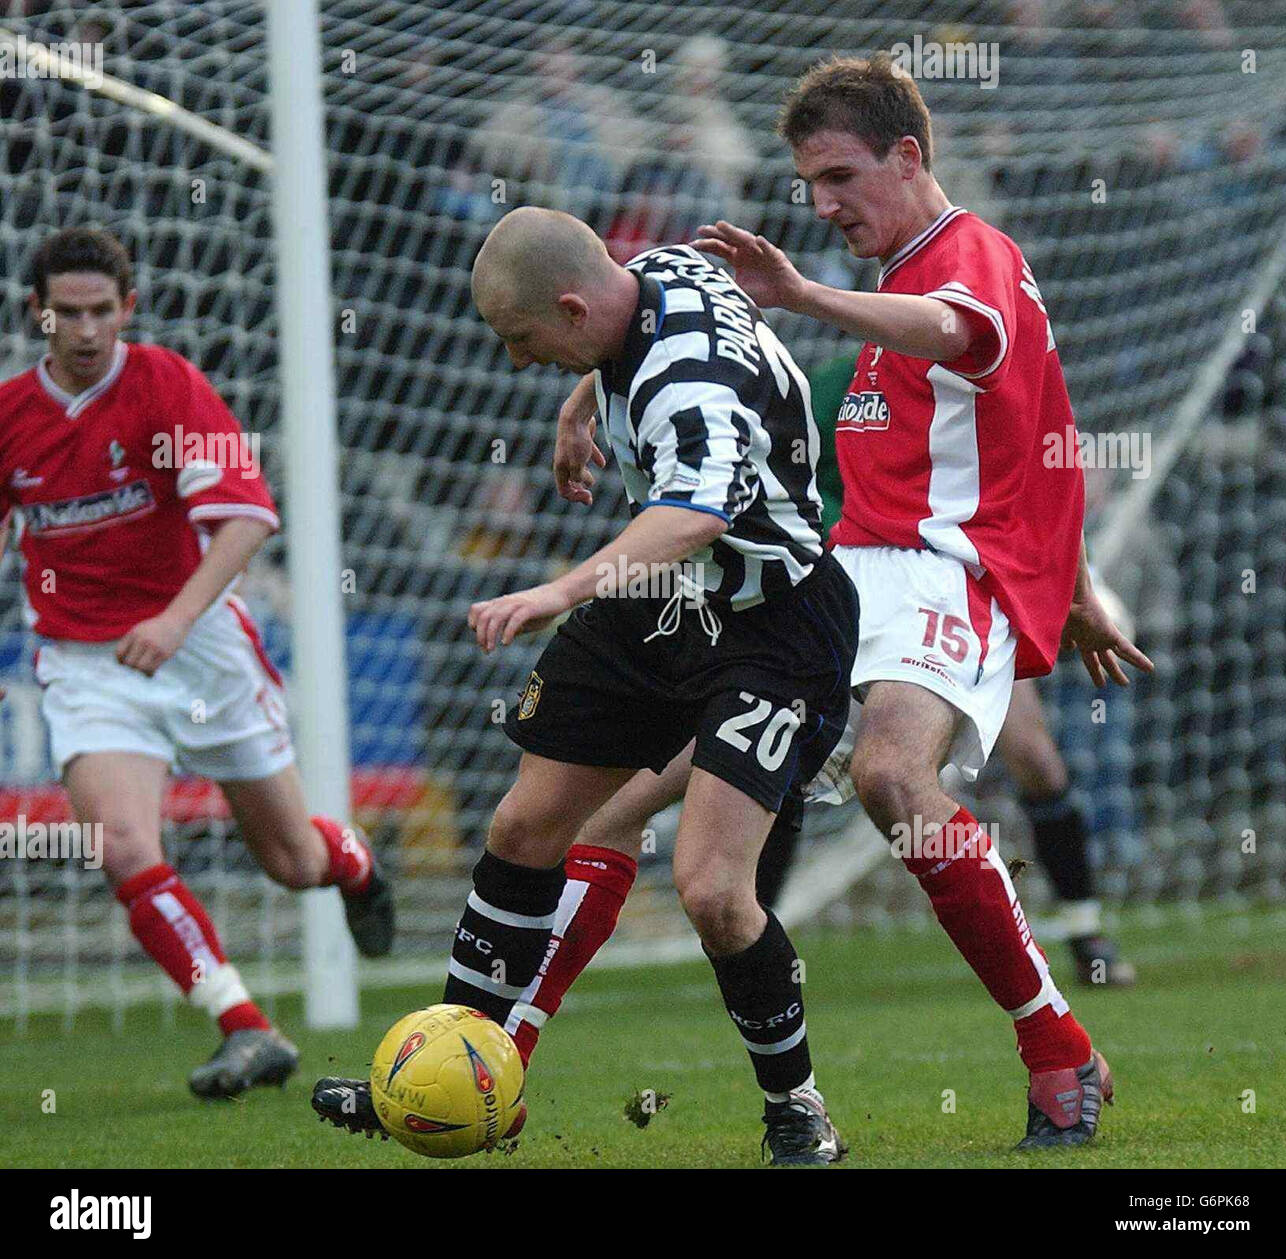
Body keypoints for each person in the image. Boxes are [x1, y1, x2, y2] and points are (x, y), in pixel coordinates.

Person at [467, 56, 1155, 1152]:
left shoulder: (969, 259)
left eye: (840, 177)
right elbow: (1038, 428)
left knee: (890, 773)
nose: (824, 204)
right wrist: (585, 386)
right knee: (603, 811)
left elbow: (957, 336)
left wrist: (801, 293)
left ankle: (1056, 1043)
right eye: (810, 183)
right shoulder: (893, 285)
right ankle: (489, 1071)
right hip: (835, 577)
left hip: (944, 574)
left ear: (908, 157)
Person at [313, 205, 860, 1165]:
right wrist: (579, 406)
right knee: (524, 830)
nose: (520, 361)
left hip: (774, 622)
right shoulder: (647, 273)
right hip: (663, 606)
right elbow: (646, 298)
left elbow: (691, 514)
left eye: (523, 341)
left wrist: (559, 587)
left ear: (570, 308)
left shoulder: (682, 383)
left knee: (711, 889)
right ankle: (453, 1067)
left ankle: (797, 1107)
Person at [0, 227, 394, 1098]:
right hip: (86, 662)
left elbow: (249, 516)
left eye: (103, 310)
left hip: (201, 644)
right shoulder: (10, 418)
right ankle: (244, 1025)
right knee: (122, 841)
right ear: (39, 314)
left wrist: (177, 620)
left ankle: (354, 862)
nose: (87, 328)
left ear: (128, 308)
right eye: (68, 312)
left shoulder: (166, 384)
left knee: (291, 861)